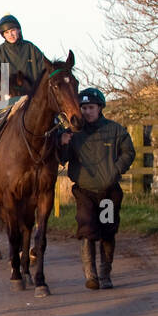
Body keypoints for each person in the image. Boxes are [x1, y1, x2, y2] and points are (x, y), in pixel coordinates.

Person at [57, 87, 135, 289]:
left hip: (109, 192)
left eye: (91, 107)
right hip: (84, 192)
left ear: (100, 108)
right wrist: (63, 143)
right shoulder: (73, 133)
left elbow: (129, 152)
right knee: (86, 229)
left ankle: (105, 273)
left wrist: (115, 171)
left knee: (108, 231)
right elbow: (61, 159)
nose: (86, 112)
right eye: (83, 108)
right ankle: (90, 275)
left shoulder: (115, 130)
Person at [0, 14, 49, 101]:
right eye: (6, 32)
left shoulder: (31, 48)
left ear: (18, 30)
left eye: (12, 30)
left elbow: (46, 70)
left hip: (33, 96)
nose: (10, 35)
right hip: (8, 98)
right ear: (3, 35)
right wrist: (8, 87)